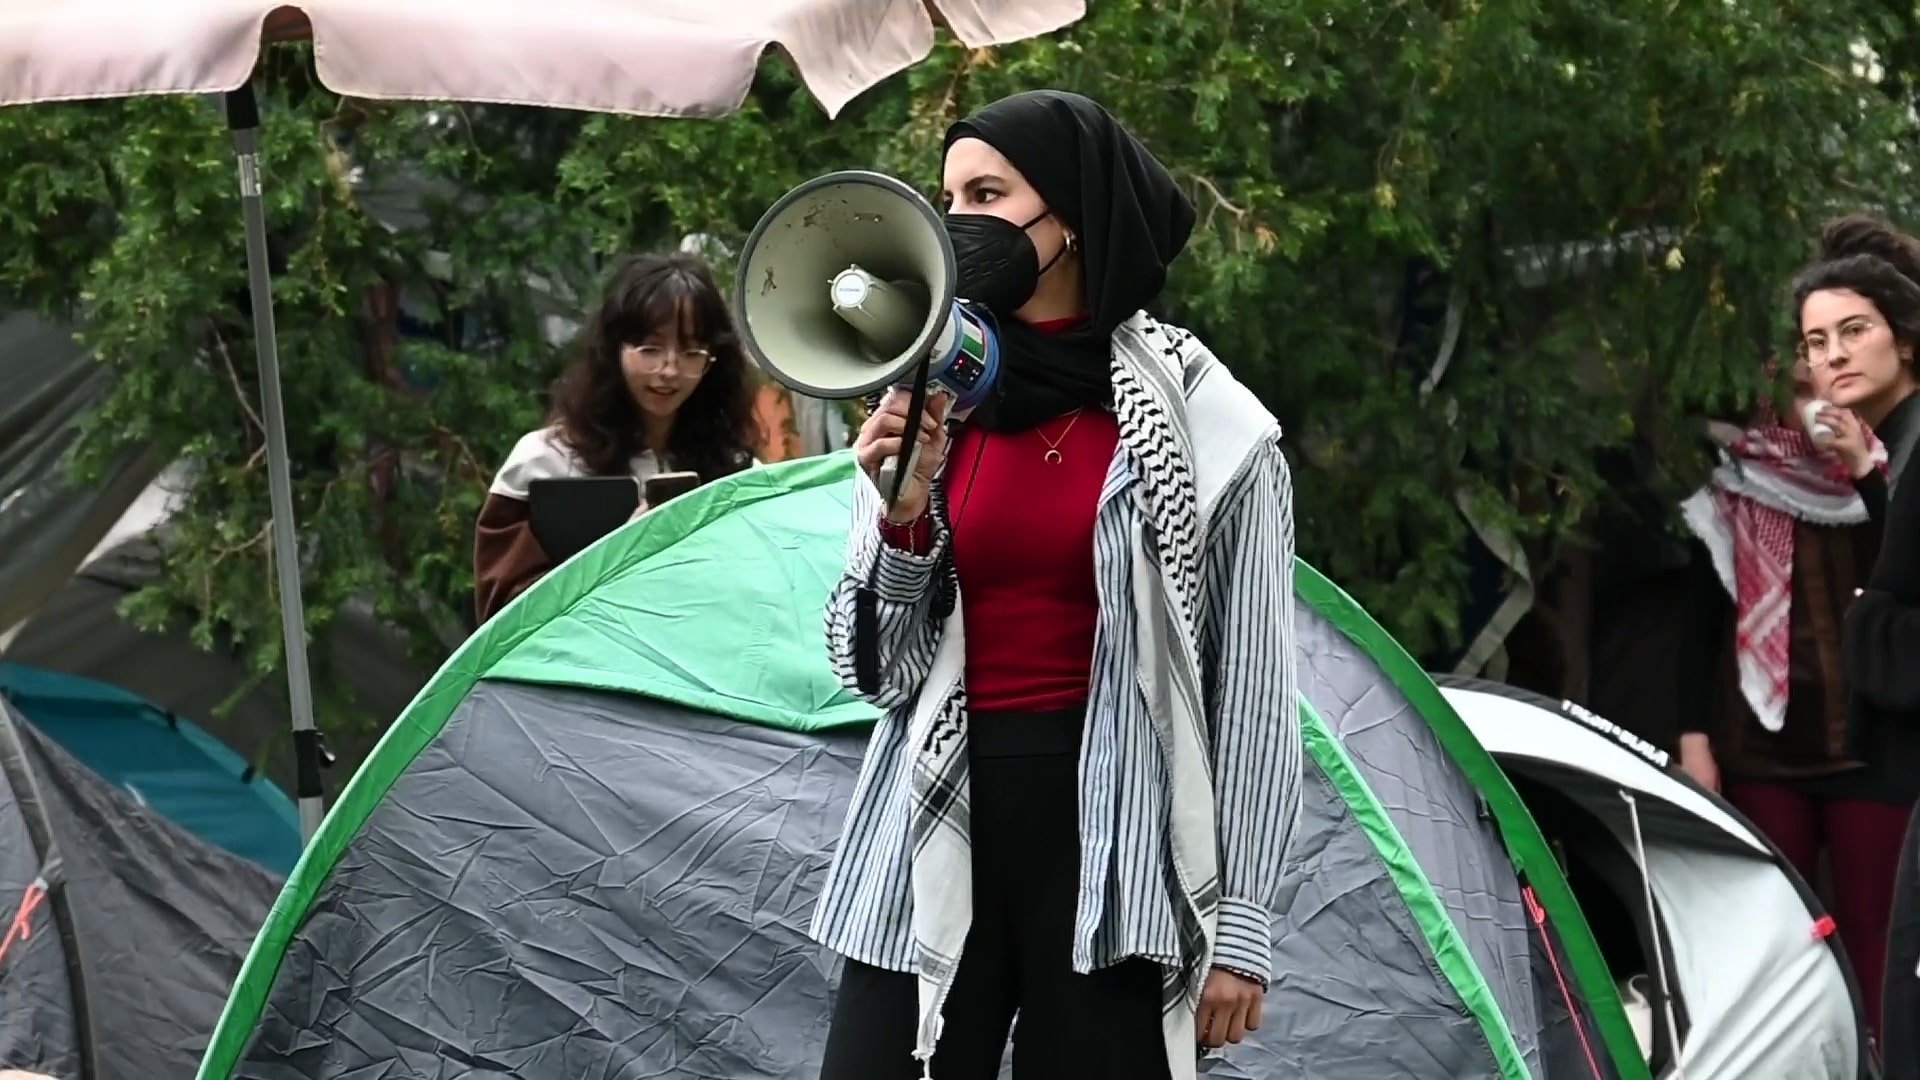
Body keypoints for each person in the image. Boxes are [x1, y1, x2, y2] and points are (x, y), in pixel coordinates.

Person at [810, 90, 1300, 1080]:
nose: (957, 227)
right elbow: (875, 670)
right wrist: (901, 518)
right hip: (938, 813)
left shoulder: (1214, 429)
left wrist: (1238, 926)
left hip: (1114, 841)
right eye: (946, 199)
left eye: (987, 193)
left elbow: (1248, 697)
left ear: (1071, 216)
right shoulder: (929, 392)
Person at [1673, 357, 1896, 1036]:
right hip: (1761, 746)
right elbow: (1699, 616)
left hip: (1871, 744)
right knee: (1779, 945)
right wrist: (1693, 740)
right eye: (1797, 380)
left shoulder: (1891, 465)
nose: (1814, 391)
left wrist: (1866, 473)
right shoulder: (1737, 476)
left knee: (1877, 943)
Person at [1794, 216, 1920, 1073]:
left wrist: (1868, 618)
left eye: (1854, 330)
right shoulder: (1903, 451)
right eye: (1814, 342)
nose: (1832, 355)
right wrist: (1873, 486)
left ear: (1905, 338)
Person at [472, 253, 757, 622]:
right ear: (614, 348)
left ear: (713, 362)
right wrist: (619, 554)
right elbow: (504, 613)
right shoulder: (546, 461)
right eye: (649, 349)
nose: (668, 370)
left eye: (690, 352)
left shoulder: (736, 468)